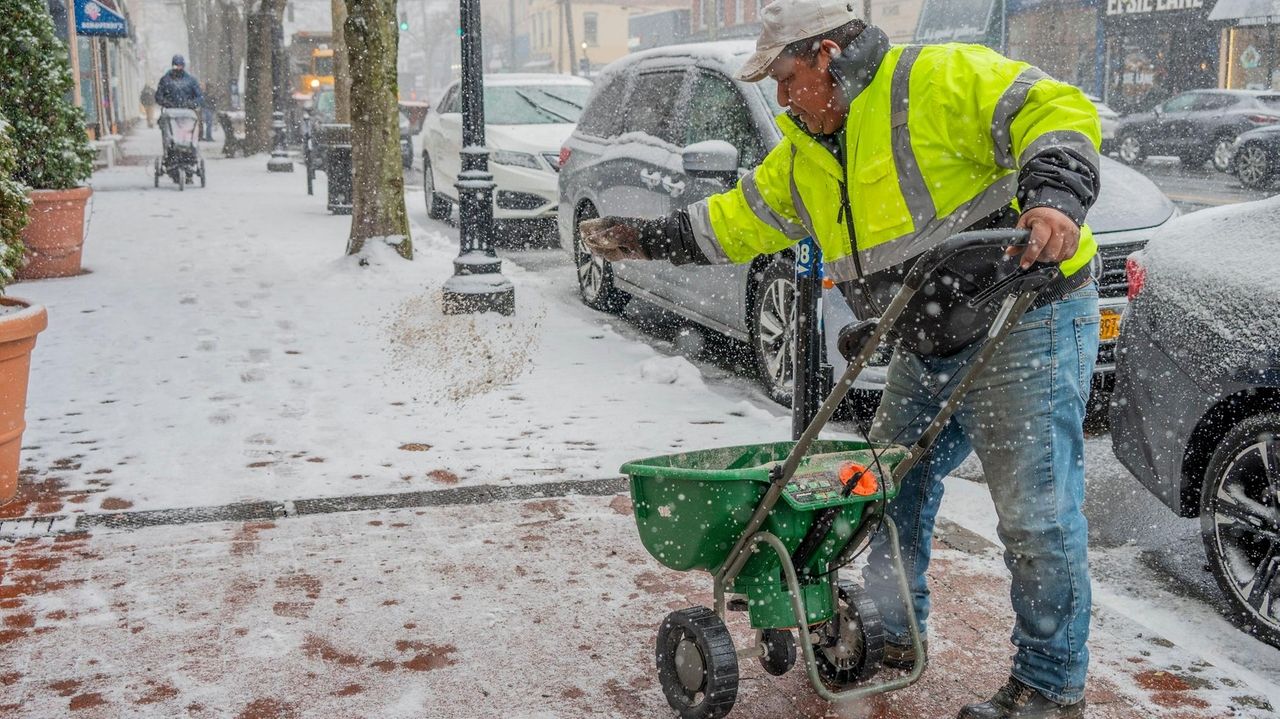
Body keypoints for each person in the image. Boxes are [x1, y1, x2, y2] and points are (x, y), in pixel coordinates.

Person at [579, 2, 1101, 718]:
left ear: (826, 55)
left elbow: (1052, 108)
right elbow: (738, 217)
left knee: (1036, 518)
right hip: (925, 339)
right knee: (881, 495)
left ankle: (1048, 685)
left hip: (1022, 317)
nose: (782, 99)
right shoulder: (805, 154)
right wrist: (645, 238)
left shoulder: (933, 78)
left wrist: (1056, 197)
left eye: (786, 79)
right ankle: (891, 631)